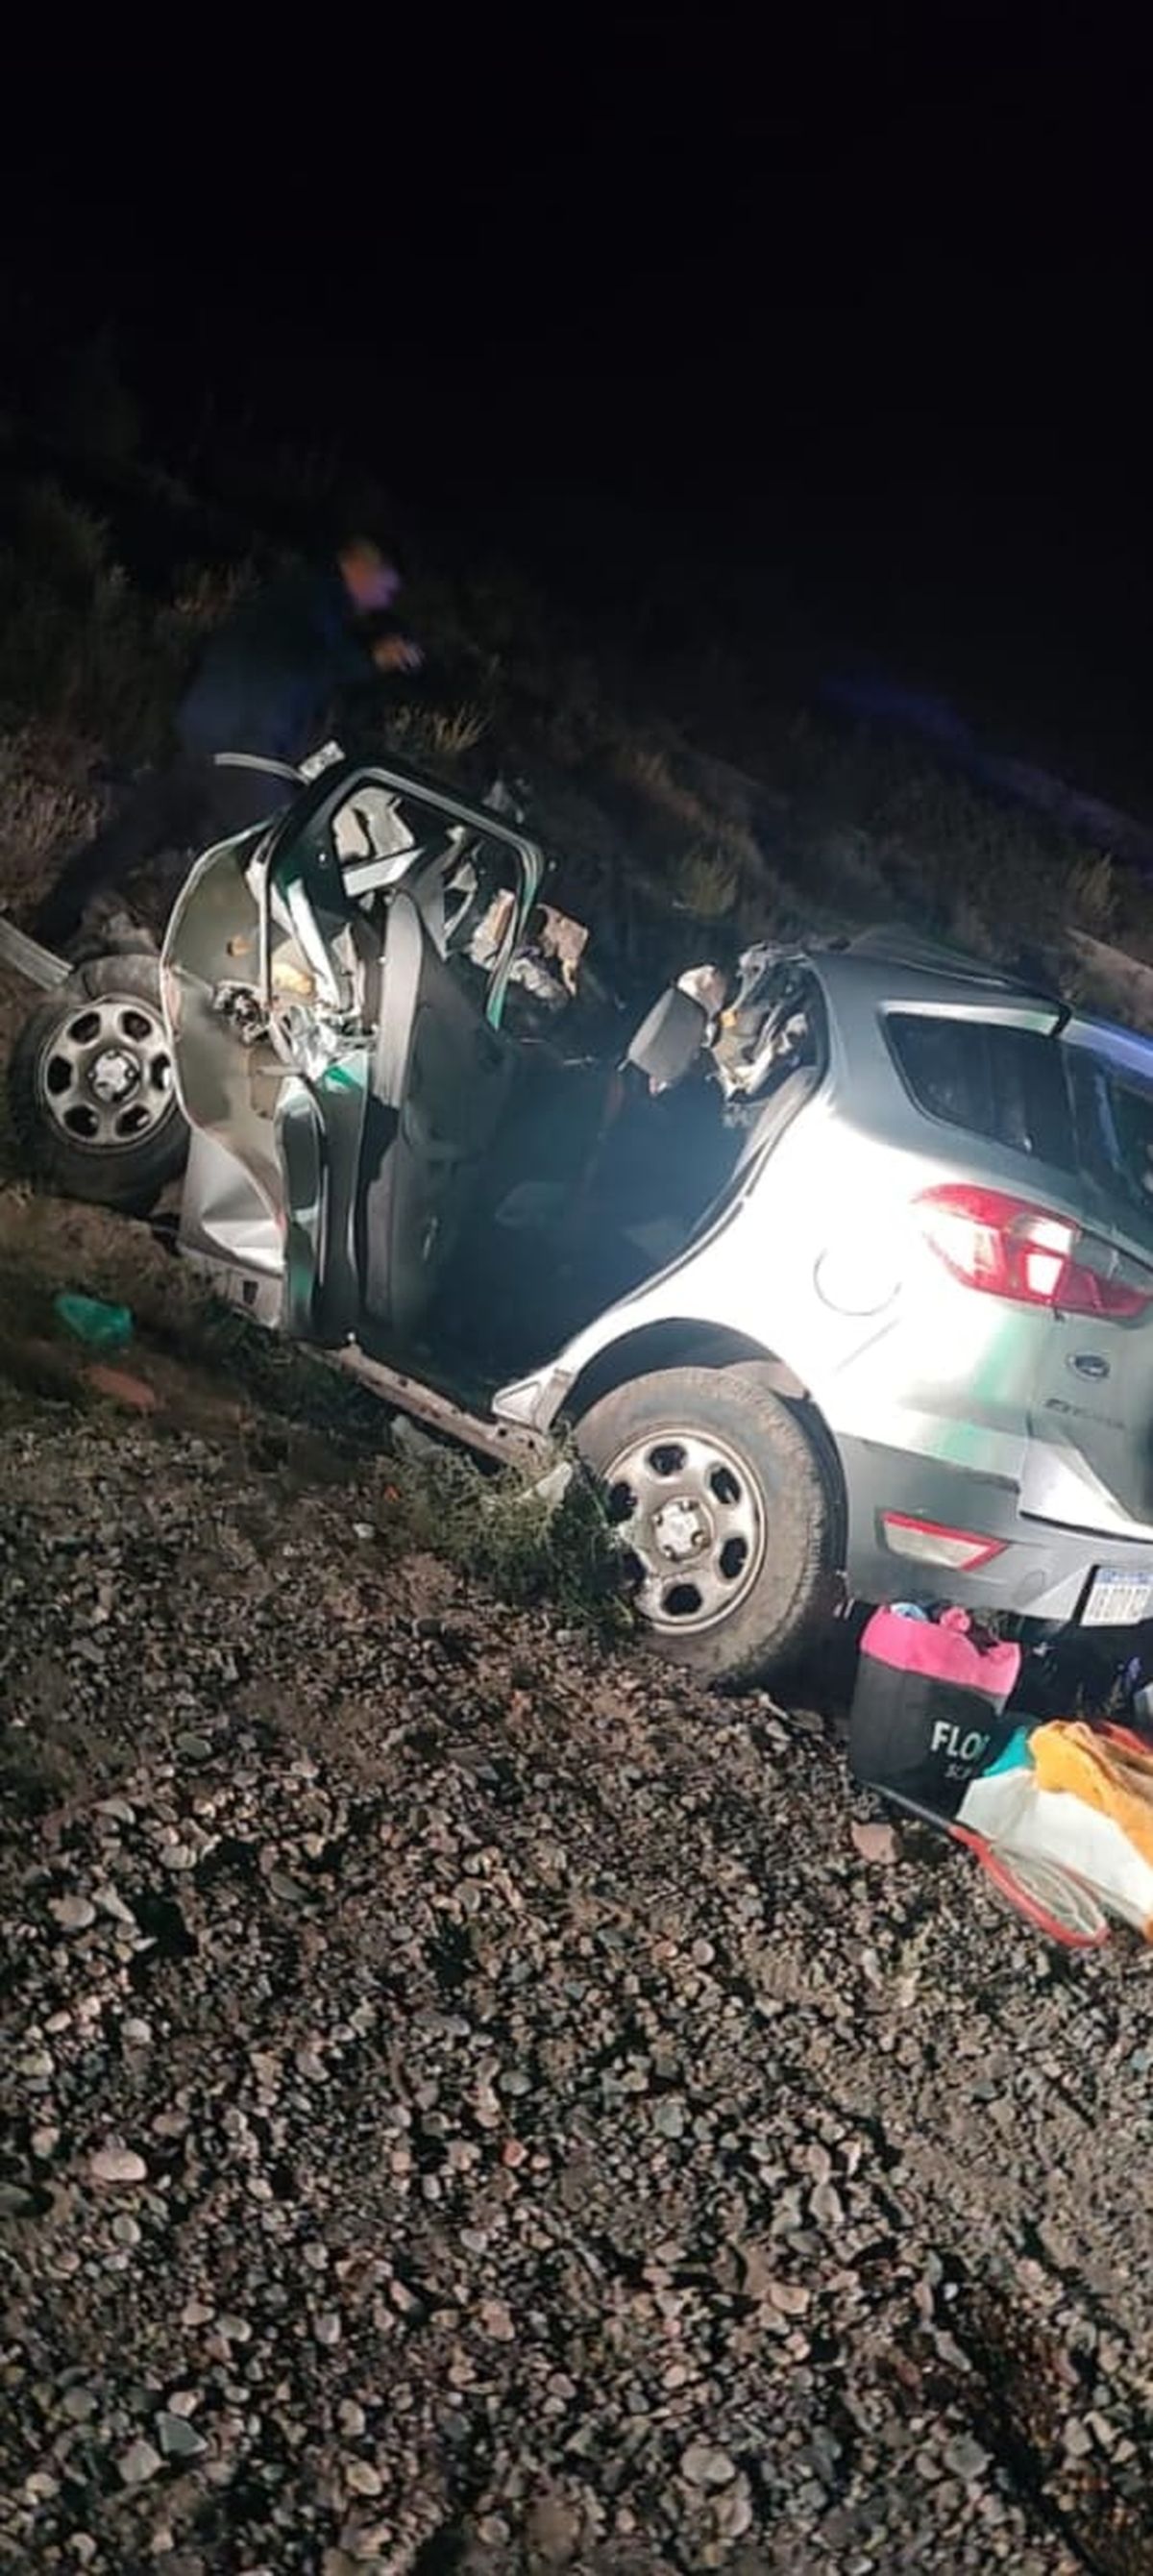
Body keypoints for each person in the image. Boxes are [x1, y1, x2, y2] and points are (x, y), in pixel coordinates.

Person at [30, 533, 423, 950]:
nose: (382, 601)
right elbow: (305, 665)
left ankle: (54, 925)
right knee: (279, 866)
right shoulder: (316, 603)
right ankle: (213, 964)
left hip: (208, 737)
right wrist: (370, 659)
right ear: (364, 566)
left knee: (138, 833)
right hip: (245, 750)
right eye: (385, 589)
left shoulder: (299, 593)